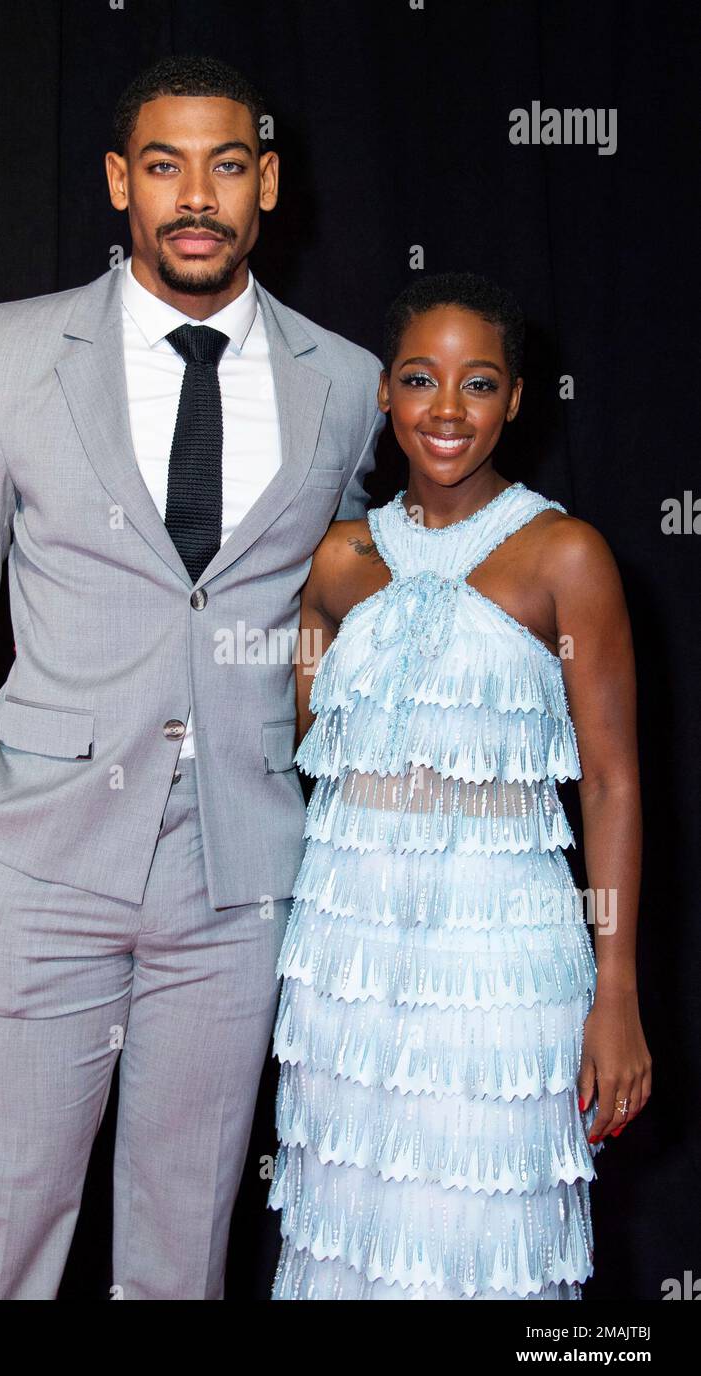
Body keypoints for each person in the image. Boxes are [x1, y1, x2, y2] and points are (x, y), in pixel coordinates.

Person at [0, 54, 384, 1300]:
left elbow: (353, 608)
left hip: (238, 877)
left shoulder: (346, 385)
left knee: (181, 1247)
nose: (196, 196)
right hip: (37, 861)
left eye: (226, 164)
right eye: (164, 165)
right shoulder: (5, 355)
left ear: (265, 181)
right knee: (0, 1234)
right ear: (121, 182)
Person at [268, 271, 651, 1299]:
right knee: (349, 1230)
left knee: (476, 1235)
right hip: (348, 963)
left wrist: (613, 993)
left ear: (515, 399)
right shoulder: (338, 561)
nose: (445, 410)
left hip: (499, 962)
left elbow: (611, 782)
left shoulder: (563, 555)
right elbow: (307, 755)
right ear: (384, 397)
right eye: (418, 380)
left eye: (477, 384)